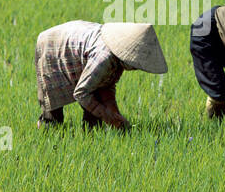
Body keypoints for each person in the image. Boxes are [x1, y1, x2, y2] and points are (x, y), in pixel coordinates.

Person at [35, 20, 167, 130]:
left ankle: (89, 141)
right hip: (52, 48)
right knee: (53, 115)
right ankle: (47, 138)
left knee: (95, 117)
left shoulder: (117, 56)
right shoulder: (104, 58)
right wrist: (106, 116)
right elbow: (81, 93)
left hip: (76, 45)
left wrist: (114, 112)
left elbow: (107, 85)